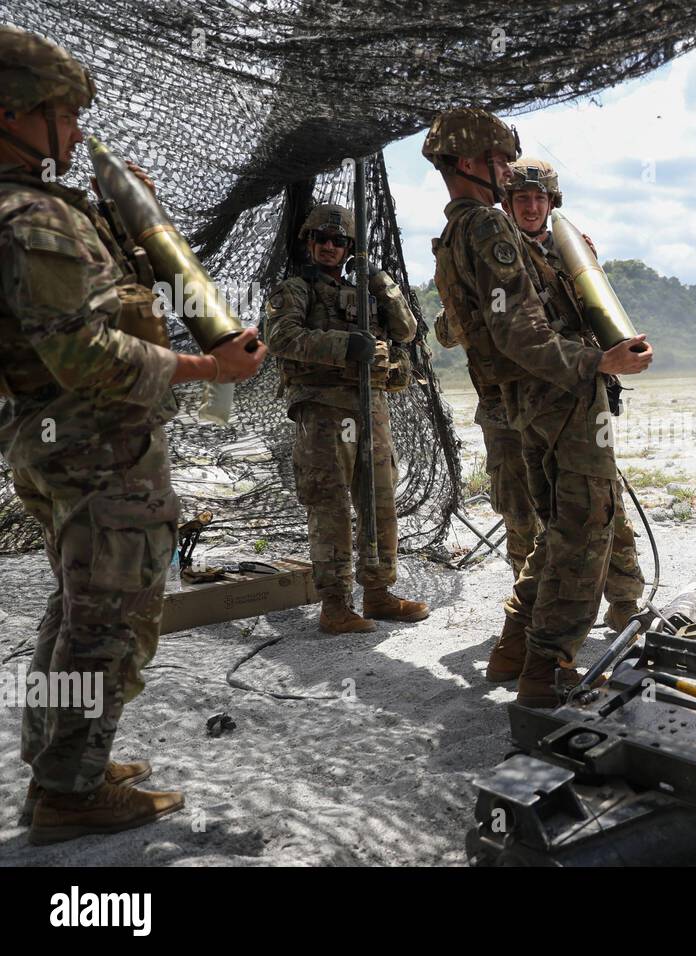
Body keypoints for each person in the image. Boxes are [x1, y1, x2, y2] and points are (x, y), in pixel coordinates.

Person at [0, 26, 266, 842]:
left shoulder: (46, 208)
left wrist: (125, 220)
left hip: (68, 445)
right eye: (66, 114)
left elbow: (115, 304)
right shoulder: (32, 217)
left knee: (76, 610)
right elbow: (81, 350)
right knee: (109, 618)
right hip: (95, 447)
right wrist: (206, 373)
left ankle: (59, 764)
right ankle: (71, 795)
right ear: (19, 112)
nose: (77, 132)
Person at [426, 108, 652, 706]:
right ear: (470, 163)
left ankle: (513, 643)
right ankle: (547, 673)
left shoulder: (455, 234)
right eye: (501, 162)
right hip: (560, 399)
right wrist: (598, 363)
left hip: (529, 403)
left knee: (560, 530)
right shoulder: (487, 230)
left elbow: (515, 317)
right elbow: (519, 333)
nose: (508, 175)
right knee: (585, 531)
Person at [265, 203, 429, 634]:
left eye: (339, 242)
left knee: (379, 501)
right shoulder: (295, 289)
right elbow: (281, 337)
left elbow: (407, 330)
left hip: (370, 406)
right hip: (322, 408)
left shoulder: (366, 291)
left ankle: (377, 593)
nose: (330, 247)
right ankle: (335, 603)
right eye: (322, 239)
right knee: (330, 503)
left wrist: (378, 279)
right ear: (309, 241)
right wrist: (344, 346)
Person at [502, 156, 644, 632]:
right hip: (525, 401)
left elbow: (595, 316)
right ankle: (532, 610)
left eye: (540, 198)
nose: (531, 206)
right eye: (522, 198)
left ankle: (623, 597)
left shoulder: (565, 252)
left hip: (579, 392)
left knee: (601, 501)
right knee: (535, 507)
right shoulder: (495, 255)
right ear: (508, 202)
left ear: (552, 203)